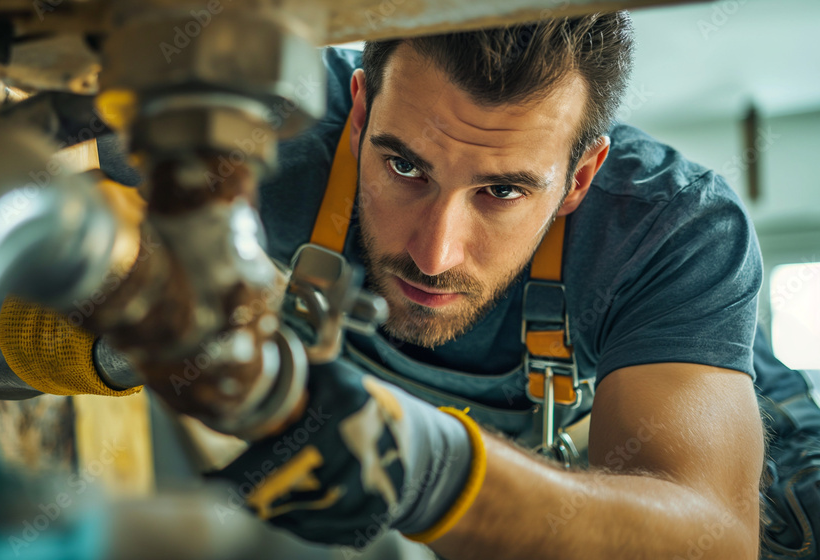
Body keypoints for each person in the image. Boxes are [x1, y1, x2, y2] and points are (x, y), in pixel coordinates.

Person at [188, 11, 820, 560]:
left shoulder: (675, 229)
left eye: (503, 191)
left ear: (580, 178)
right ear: (359, 111)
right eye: (404, 167)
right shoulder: (271, 123)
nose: (433, 254)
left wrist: (432, 471)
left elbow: (712, 536)